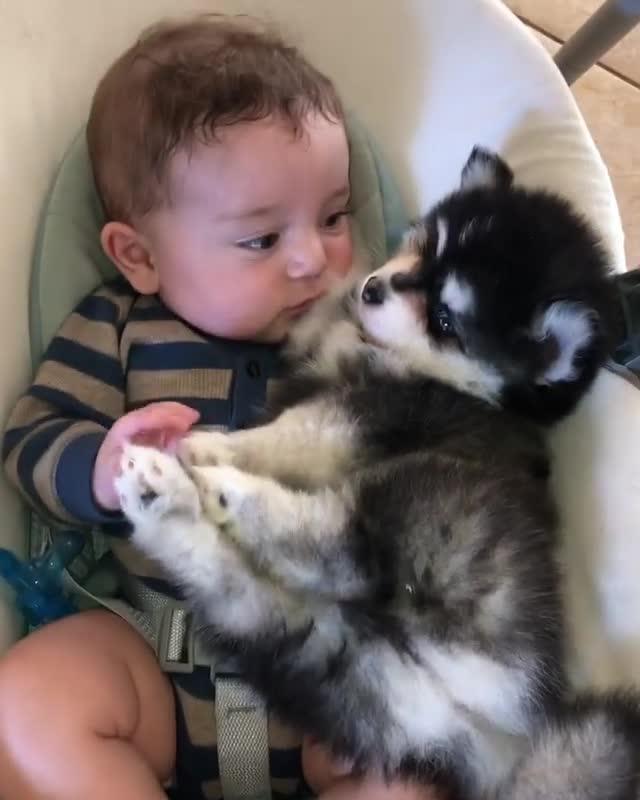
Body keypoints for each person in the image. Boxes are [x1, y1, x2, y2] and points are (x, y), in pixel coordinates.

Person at [0, 14, 437, 800]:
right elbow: (30, 444)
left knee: (427, 763)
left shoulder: (365, 337)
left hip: (326, 676)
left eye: (334, 217)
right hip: (151, 662)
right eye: (261, 240)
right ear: (139, 256)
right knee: (25, 705)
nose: (313, 258)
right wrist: (103, 469)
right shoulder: (119, 329)